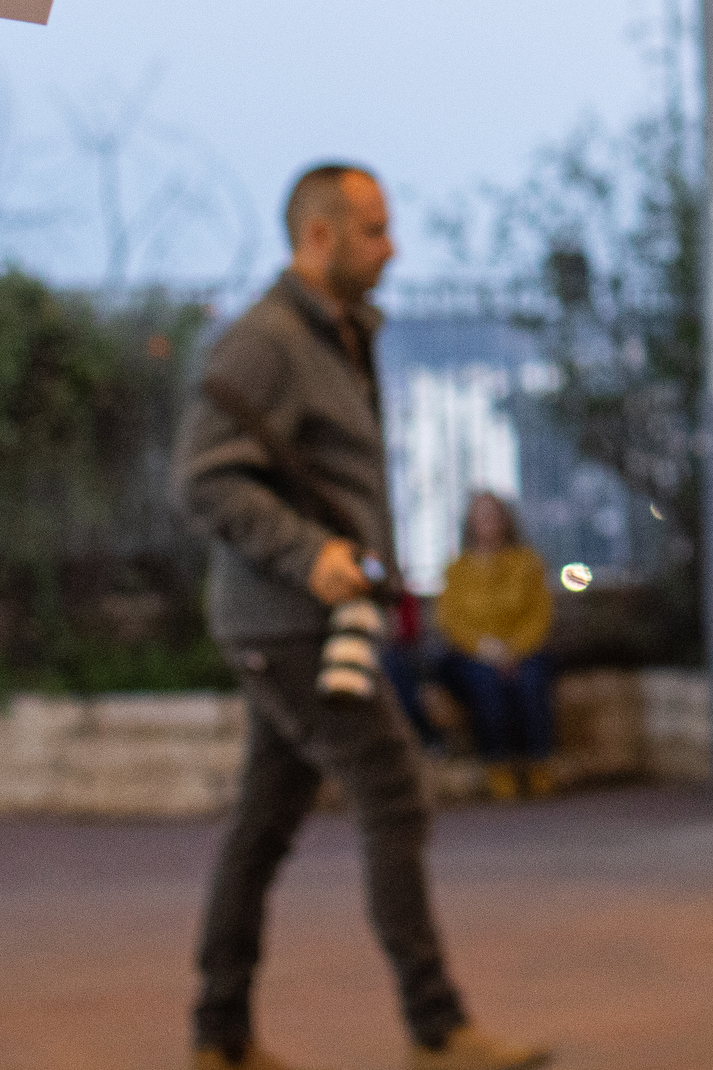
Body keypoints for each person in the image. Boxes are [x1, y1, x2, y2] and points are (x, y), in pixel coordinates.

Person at [176, 163, 545, 1070]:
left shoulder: (341, 334)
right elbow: (203, 476)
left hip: (310, 622)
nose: (394, 246)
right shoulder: (266, 340)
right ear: (319, 237)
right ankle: (438, 1028)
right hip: (285, 619)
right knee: (394, 791)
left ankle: (220, 1034)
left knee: (263, 824)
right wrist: (309, 555)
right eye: (375, 229)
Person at [435, 492, 562, 799]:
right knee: (485, 684)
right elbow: (451, 621)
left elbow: (540, 615)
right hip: (475, 654)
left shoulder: (529, 563)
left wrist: (514, 650)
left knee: (532, 681)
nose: (488, 522)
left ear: (506, 521)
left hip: (523, 651)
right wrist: (485, 649)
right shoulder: (456, 570)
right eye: (482, 515)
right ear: (471, 523)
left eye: (494, 515)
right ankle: (498, 765)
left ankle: (540, 763)